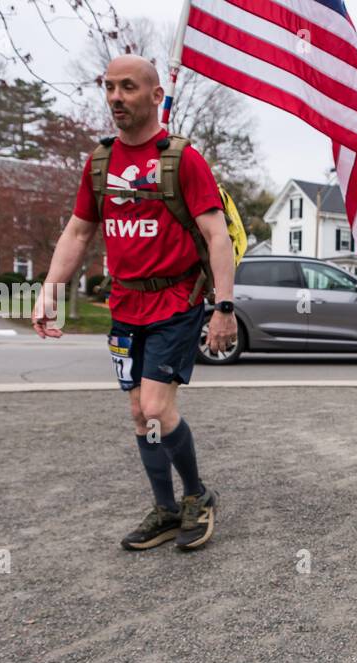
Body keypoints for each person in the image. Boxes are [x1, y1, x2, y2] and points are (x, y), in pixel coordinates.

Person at [31, 54, 237, 551]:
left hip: (176, 302)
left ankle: (197, 495)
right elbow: (79, 231)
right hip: (125, 308)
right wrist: (49, 290)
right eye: (109, 87)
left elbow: (216, 235)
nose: (116, 97)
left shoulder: (182, 160)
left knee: (155, 407)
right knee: (138, 416)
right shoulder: (100, 162)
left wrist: (224, 307)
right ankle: (165, 509)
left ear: (155, 96)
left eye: (127, 87)